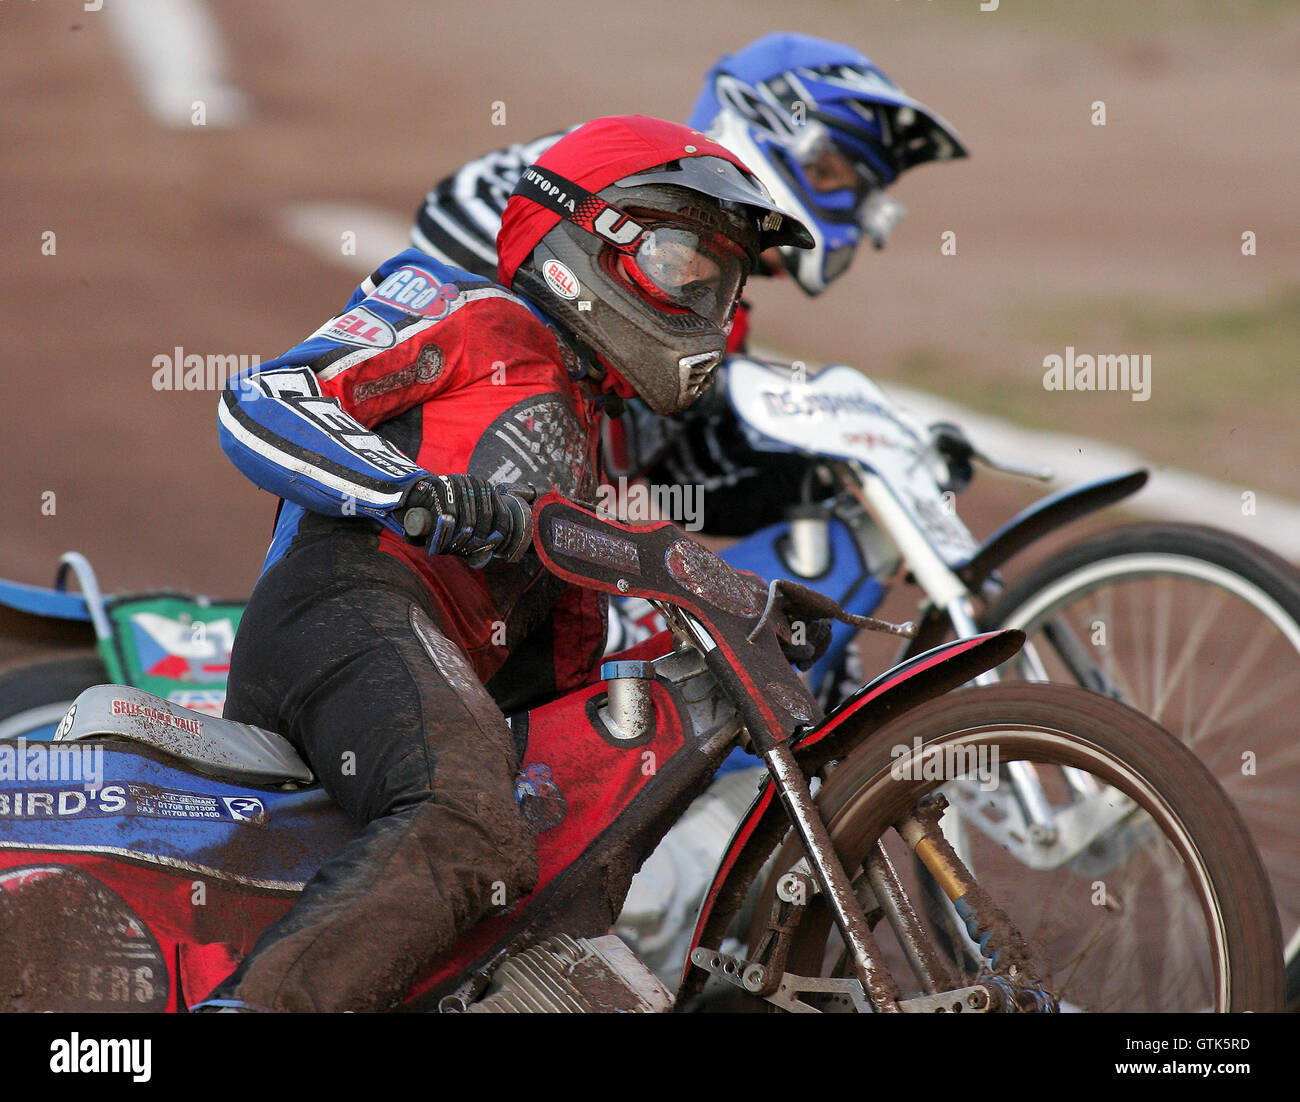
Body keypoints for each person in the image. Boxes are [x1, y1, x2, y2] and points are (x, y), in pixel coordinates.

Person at [200, 115, 813, 1012]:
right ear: (593, 237)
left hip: (433, 673)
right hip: (343, 603)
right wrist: (404, 491)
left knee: (551, 873)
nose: (705, 303)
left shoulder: (588, 434)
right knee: (475, 821)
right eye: (687, 263)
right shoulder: (469, 309)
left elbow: (552, 673)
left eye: (719, 283)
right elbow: (267, 396)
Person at [412, 32, 970, 553]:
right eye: (831, 175)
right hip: (457, 522)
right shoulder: (597, 168)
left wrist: (828, 464)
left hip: (568, 539)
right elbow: (448, 235)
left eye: (863, 196)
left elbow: (678, 481)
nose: (849, 212)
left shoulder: (721, 307)